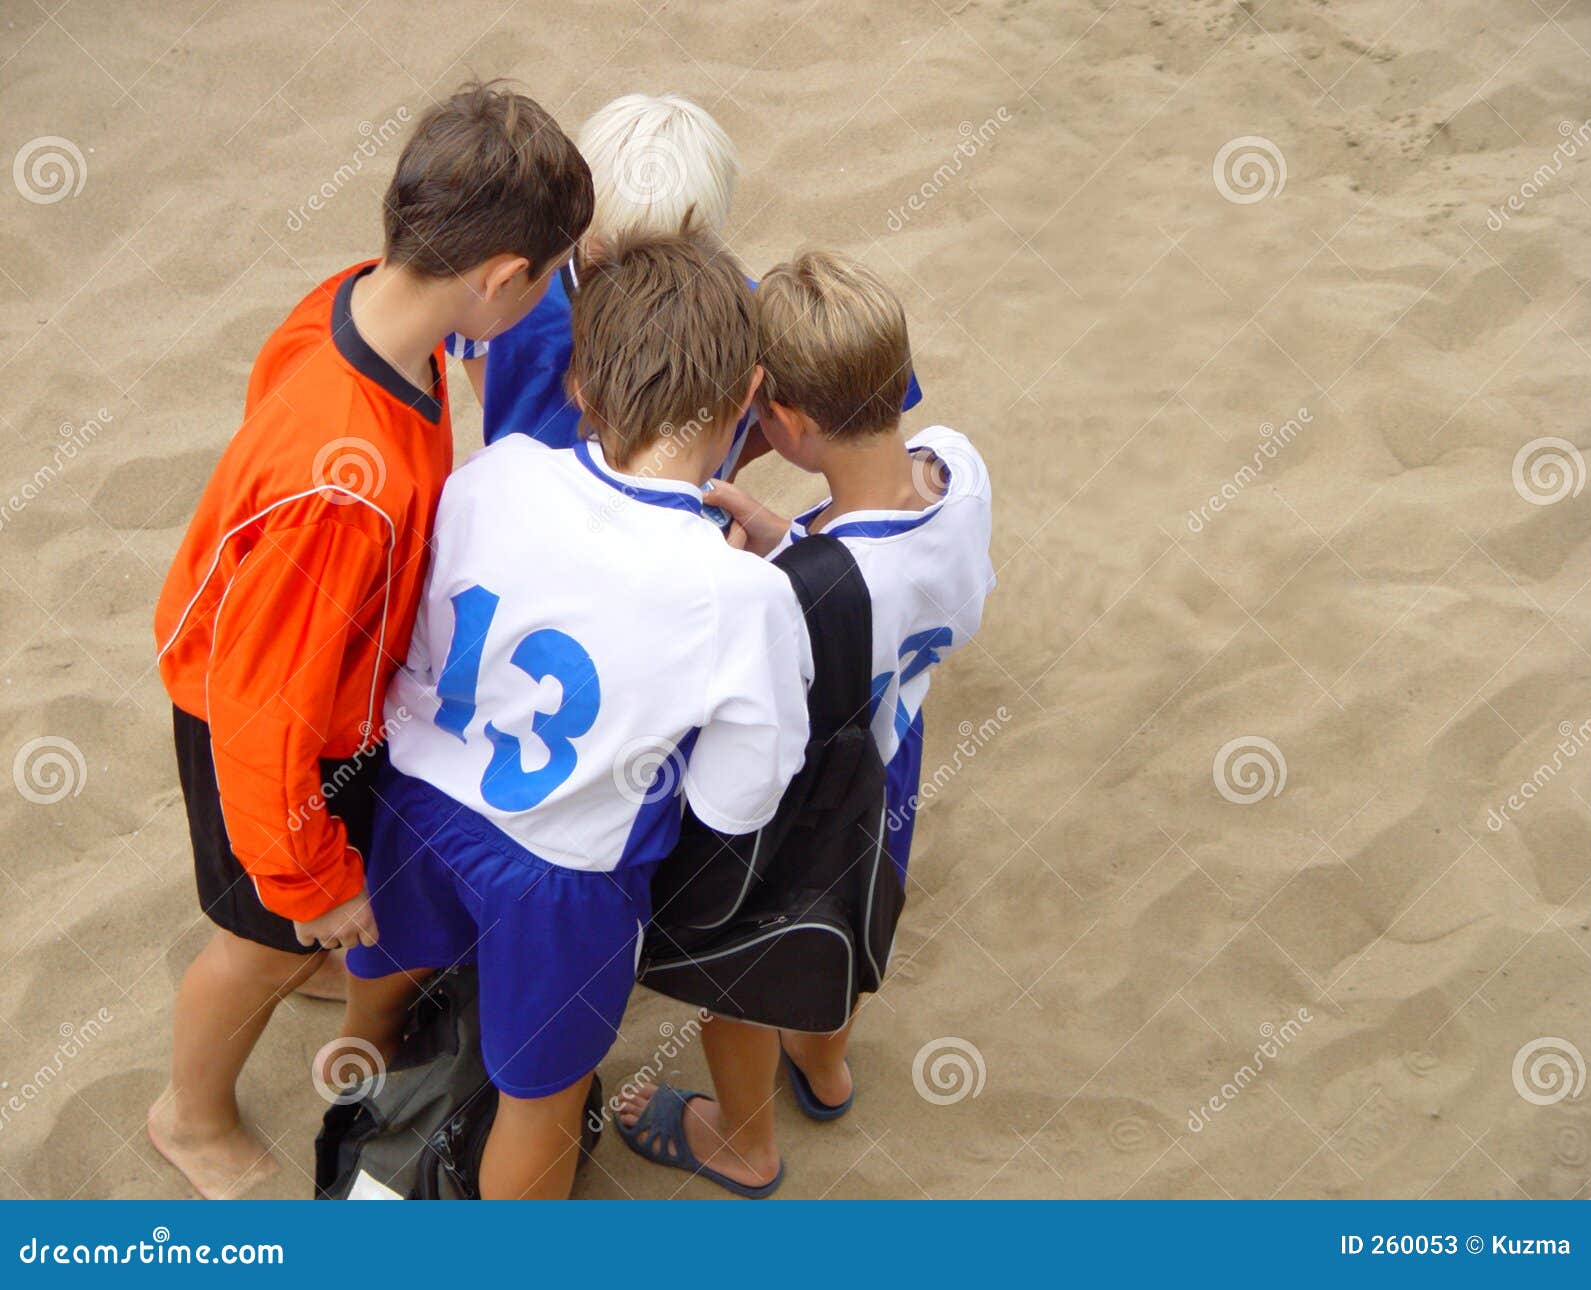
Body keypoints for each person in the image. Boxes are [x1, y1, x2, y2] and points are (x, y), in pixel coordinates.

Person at [147, 82, 592, 1200]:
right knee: (260, 935)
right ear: (501, 280)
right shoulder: (348, 490)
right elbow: (261, 706)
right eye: (546, 280)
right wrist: (302, 884)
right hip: (253, 717)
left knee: (305, 915)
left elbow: (270, 404)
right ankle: (189, 1113)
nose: (543, 300)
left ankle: (293, 933)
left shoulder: (354, 298)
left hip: (301, 684)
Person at [334, 232, 812, 1201]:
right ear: (749, 392)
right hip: (561, 873)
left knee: (393, 955)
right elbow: (736, 799)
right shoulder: (739, 597)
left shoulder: (497, 472)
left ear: (581, 383)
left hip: (421, 798)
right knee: (539, 1097)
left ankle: (361, 1061)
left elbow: (422, 648)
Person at [617, 250, 995, 1195]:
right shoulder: (956, 463)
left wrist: (765, 570)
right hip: (892, 758)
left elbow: (768, 692)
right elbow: (876, 574)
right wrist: (792, 538)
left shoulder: (805, 595)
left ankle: (744, 1141)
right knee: (859, 916)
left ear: (786, 422)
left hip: (808, 793)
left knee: (742, 962)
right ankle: (824, 1070)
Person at [445, 91, 921, 477]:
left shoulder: (755, 314)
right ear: (582, 214)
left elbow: (865, 394)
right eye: (607, 259)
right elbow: (474, 347)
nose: (630, 285)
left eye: (661, 264)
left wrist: (728, 458)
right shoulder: (517, 293)